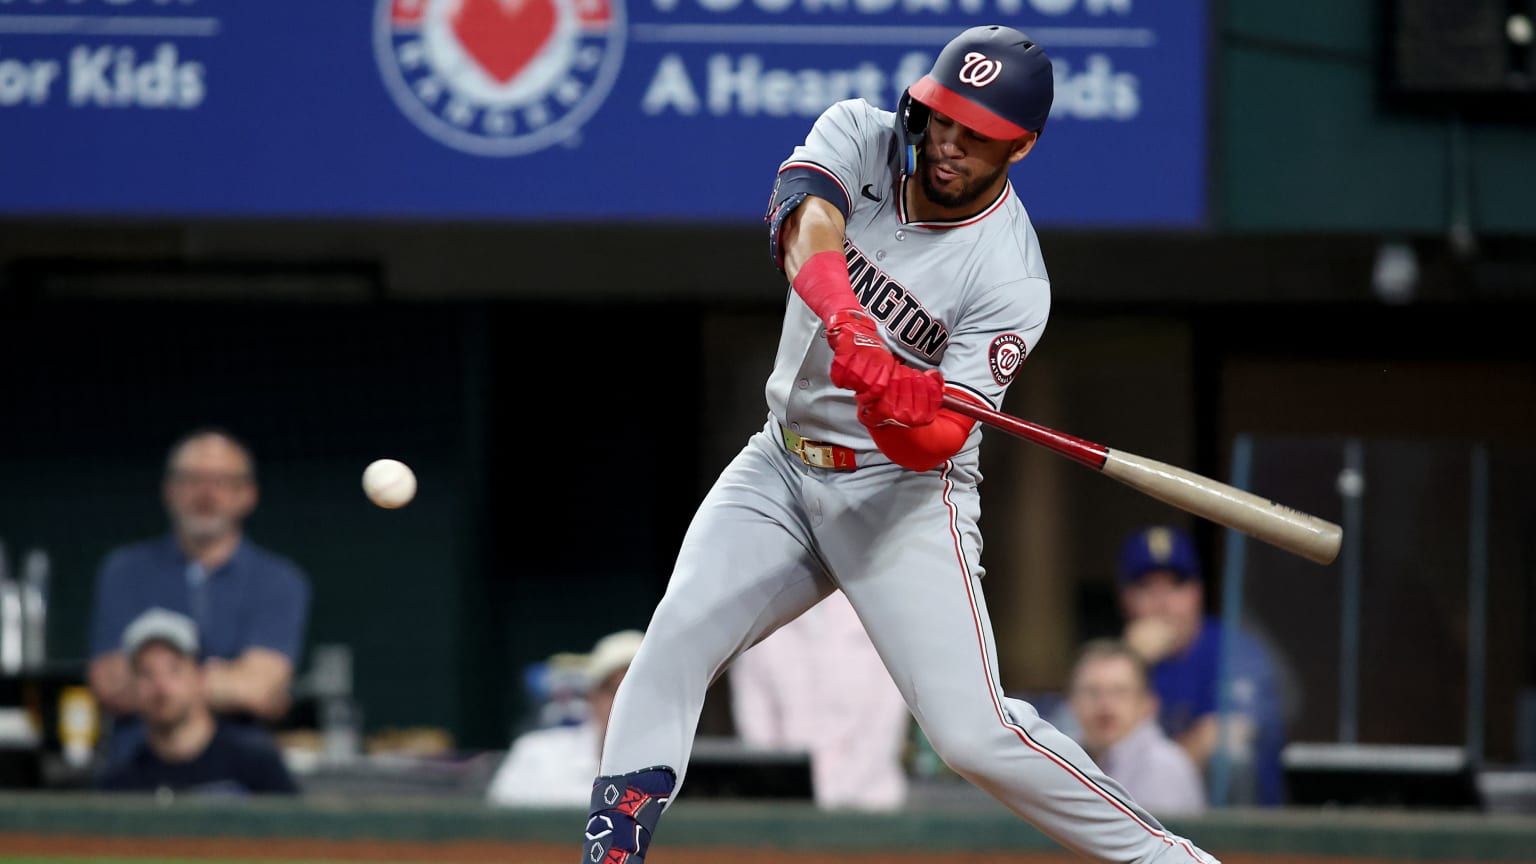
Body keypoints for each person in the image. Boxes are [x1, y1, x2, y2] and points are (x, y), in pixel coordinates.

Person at [578, 25, 1221, 864]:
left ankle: (1172, 859)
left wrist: (897, 408)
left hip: (901, 500)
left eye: (978, 134)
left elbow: (939, 441)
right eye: (943, 118)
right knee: (673, 642)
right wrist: (854, 330)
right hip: (781, 463)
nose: (949, 144)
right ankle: (612, 853)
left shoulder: (1012, 277)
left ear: (1020, 147)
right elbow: (802, 221)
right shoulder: (861, 132)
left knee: (974, 735)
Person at [87, 427, 312, 762]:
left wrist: (155, 683)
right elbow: (109, 683)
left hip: (244, 772)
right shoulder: (123, 571)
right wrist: (228, 683)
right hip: (134, 767)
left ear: (247, 494)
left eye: (222, 481)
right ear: (169, 491)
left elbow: (258, 686)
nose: (206, 494)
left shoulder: (280, 580)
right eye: (192, 480)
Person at [1117, 525, 1288, 807]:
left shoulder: (1235, 650)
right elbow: (1094, 743)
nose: (1163, 603)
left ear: (1198, 593)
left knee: (1230, 758)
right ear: (1125, 599)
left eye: (1176, 585)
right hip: (1150, 830)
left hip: (1231, 834)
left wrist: (1146, 769)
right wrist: (1129, 662)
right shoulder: (1124, 658)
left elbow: (1231, 734)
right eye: (1146, 587)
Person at [729, 590, 910, 811]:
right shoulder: (759, 622)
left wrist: (827, 800)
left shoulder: (879, 612)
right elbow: (757, 735)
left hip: (871, 809)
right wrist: (791, 794)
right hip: (786, 812)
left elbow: (882, 728)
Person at [97, 607, 300, 796]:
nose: (160, 685)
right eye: (146, 673)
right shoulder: (120, 786)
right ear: (133, 687)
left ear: (200, 676)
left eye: (174, 669)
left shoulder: (257, 769)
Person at [487, 630, 644, 808]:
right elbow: (498, 831)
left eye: (642, 692)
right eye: (615, 689)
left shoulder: (678, 773)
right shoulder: (536, 757)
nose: (626, 703)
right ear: (592, 698)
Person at [1067, 638, 1206, 817]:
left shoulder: (1164, 766)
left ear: (1147, 705)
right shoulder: (1063, 755)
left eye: (1120, 692)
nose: (1105, 706)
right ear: (1071, 702)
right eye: (1092, 692)